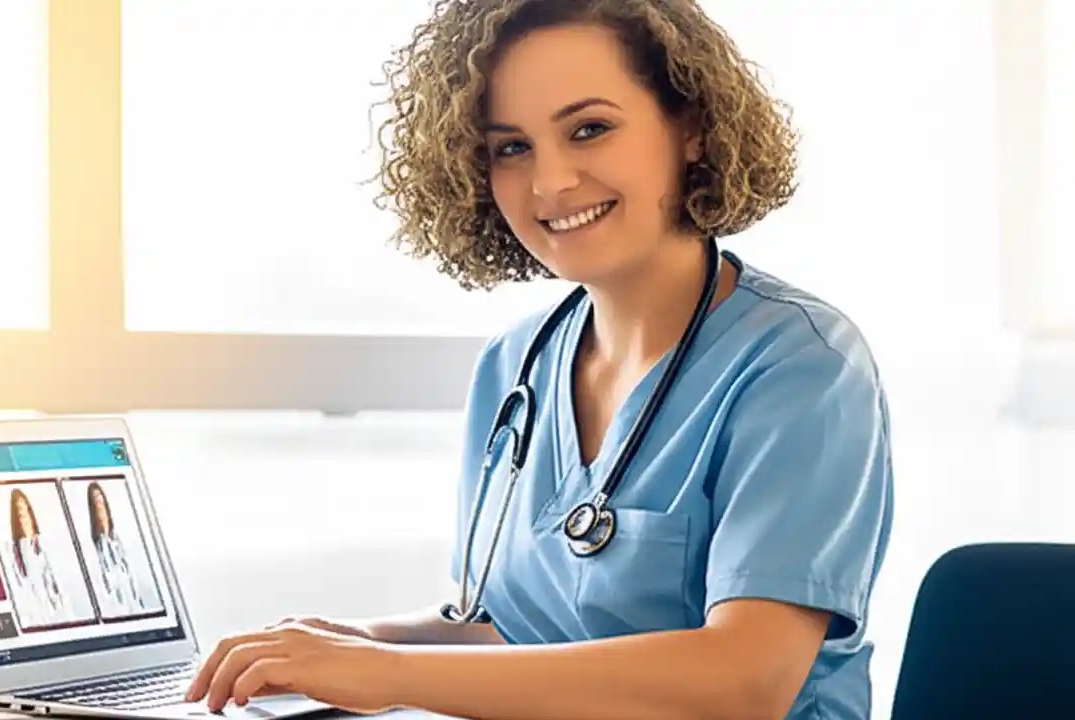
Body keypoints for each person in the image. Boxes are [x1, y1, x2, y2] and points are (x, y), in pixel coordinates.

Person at [186, 1, 893, 718]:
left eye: (590, 129)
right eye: (511, 148)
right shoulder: (514, 365)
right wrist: (349, 645)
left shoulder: (802, 367)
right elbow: (511, 634)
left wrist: (389, 673)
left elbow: (745, 681)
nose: (550, 183)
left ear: (692, 129)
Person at [4, 487, 69, 629]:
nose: (24, 521)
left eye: (25, 513)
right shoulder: (14, 552)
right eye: (19, 516)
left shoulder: (45, 545)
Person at [87, 481, 150, 615]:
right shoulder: (98, 547)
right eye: (96, 501)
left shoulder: (117, 539)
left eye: (100, 498)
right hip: (119, 608)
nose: (100, 504)